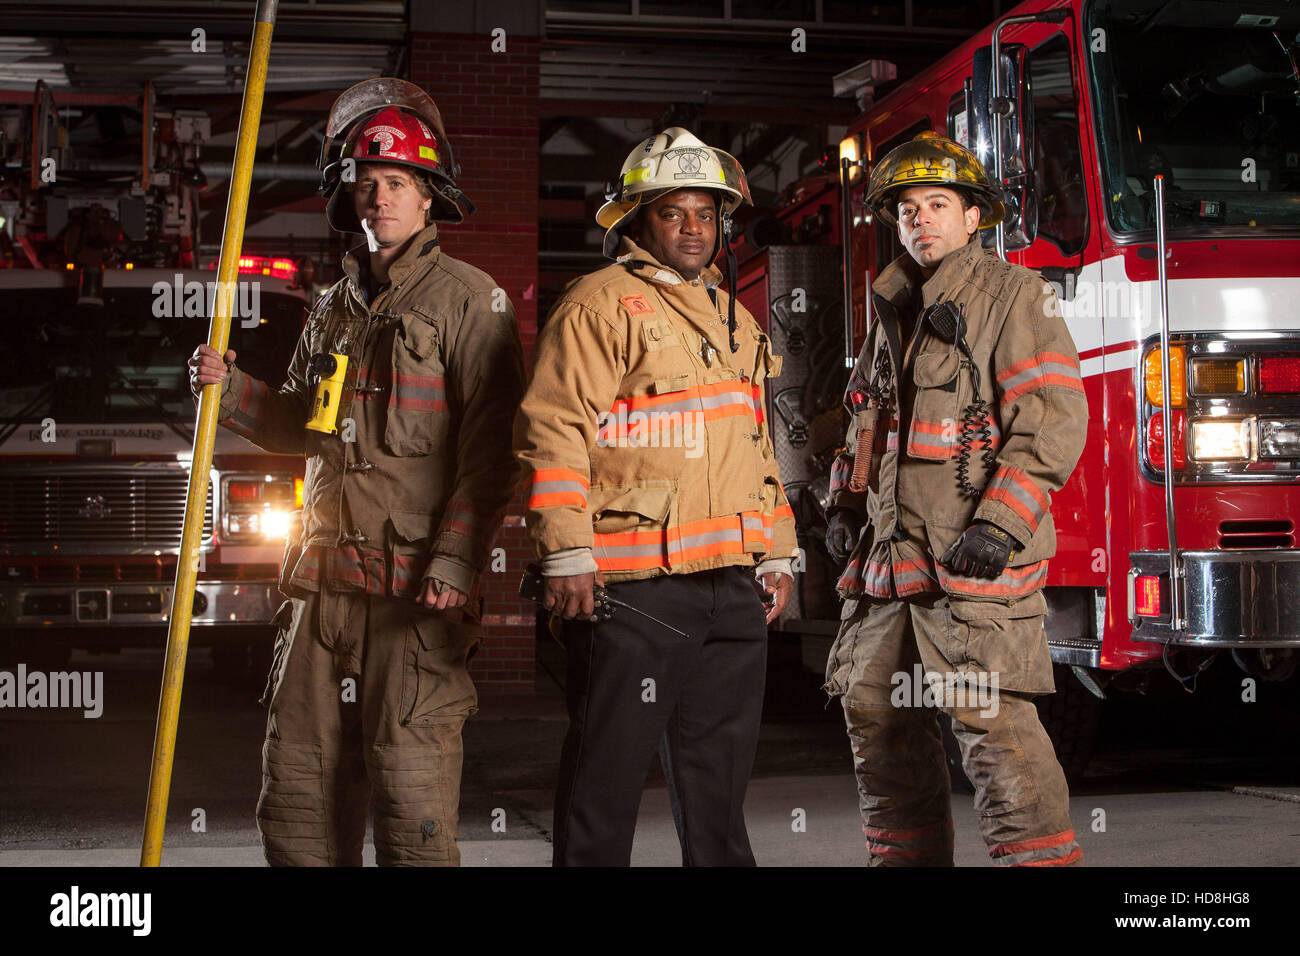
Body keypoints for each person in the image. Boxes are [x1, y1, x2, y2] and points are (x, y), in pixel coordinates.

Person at [187, 78, 525, 866]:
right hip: (319, 592)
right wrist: (229, 389)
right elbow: (301, 426)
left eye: (397, 183)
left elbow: (492, 449)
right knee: (299, 793)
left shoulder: (473, 303)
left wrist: (457, 559)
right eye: (366, 184)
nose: (379, 198)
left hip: (412, 595)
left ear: (430, 195)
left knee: (410, 802)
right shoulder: (332, 307)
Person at [514, 127, 797, 866]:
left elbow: (755, 448)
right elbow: (553, 431)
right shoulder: (600, 304)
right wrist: (566, 552)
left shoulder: (735, 320)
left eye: (707, 214)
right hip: (633, 589)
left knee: (719, 786)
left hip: (731, 585)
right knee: (606, 777)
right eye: (674, 212)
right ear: (637, 218)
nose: (694, 229)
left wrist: (781, 553)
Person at [822, 132, 1088, 867]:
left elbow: (1053, 418)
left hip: (975, 566)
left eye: (938, 204)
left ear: (975, 217)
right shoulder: (895, 305)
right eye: (907, 209)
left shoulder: (1016, 297)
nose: (920, 220)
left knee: (993, 728)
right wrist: (846, 505)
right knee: (874, 712)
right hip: (891, 569)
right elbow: (866, 420)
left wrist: (1001, 525)